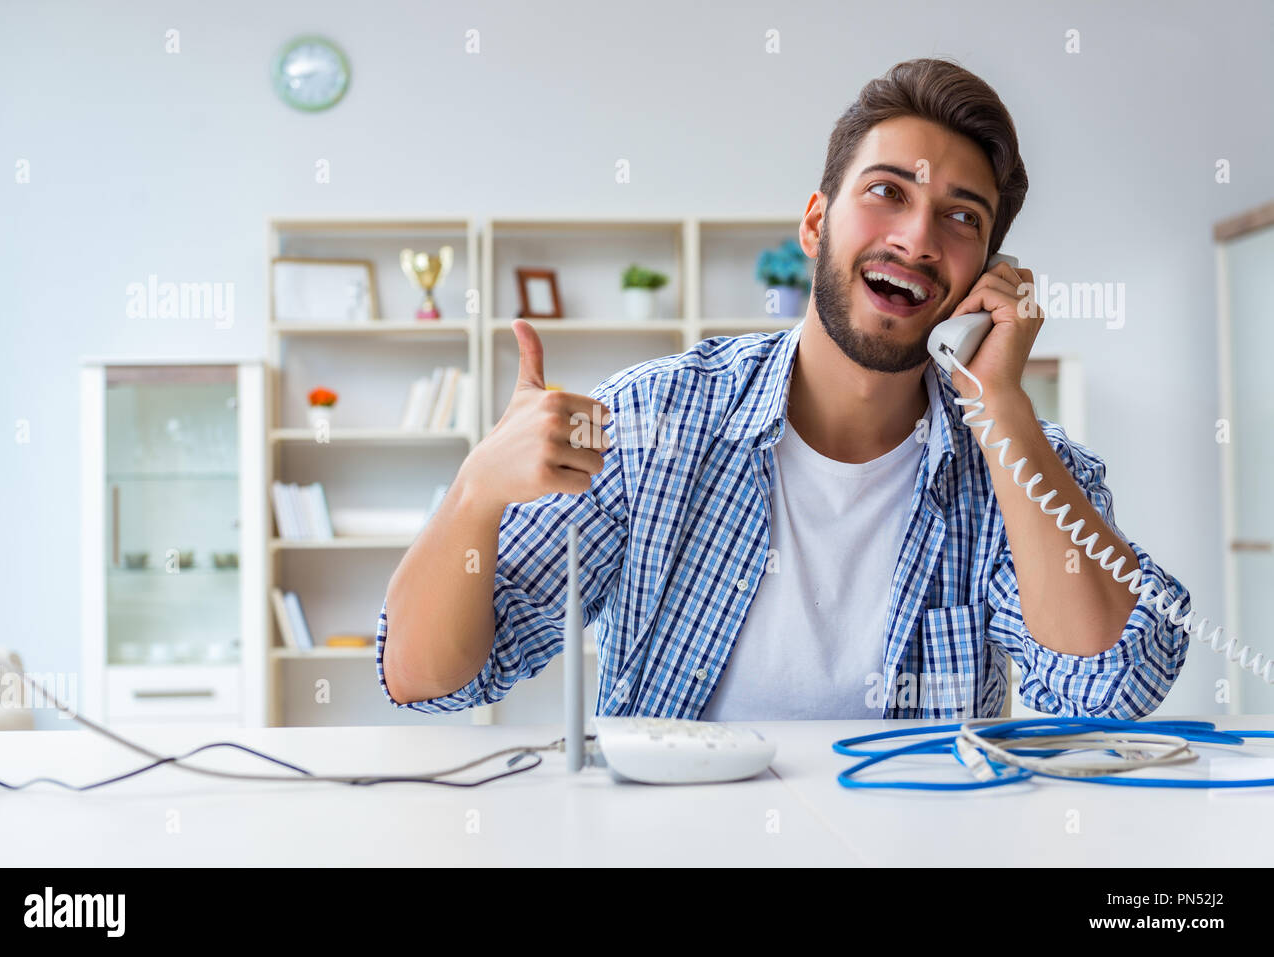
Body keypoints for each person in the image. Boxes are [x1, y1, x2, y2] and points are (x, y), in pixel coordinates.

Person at [376, 57, 1191, 720]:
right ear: (814, 225)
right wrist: (476, 490)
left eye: (961, 218)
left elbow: (1111, 690)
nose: (915, 237)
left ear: (988, 277)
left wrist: (1004, 410)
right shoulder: (651, 420)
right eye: (887, 193)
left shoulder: (1018, 469)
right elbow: (425, 677)